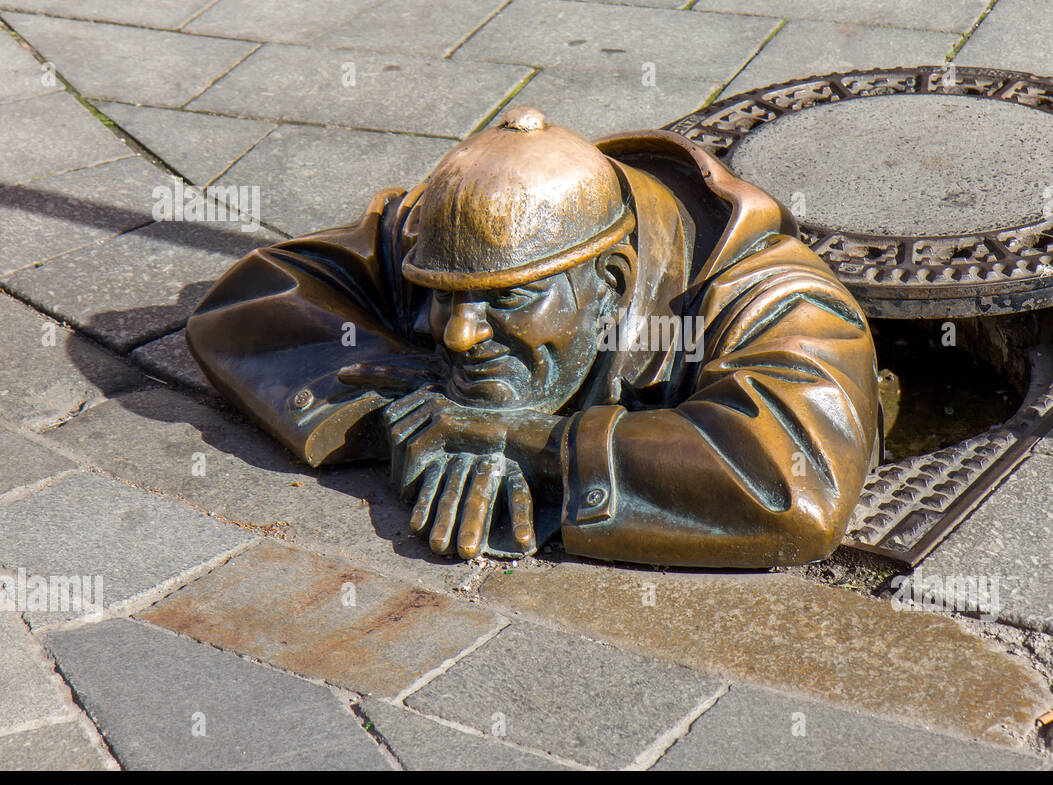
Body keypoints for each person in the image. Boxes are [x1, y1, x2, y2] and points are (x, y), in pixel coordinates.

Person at [187, 106, 880, 568]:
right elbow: (251, 299)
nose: (457, 334)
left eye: (506, 302)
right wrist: (395, 404)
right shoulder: (445, 242)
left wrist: (530, 442)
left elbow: (799, 484)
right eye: (442, 297)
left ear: (611, 279)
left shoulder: (768, 295)